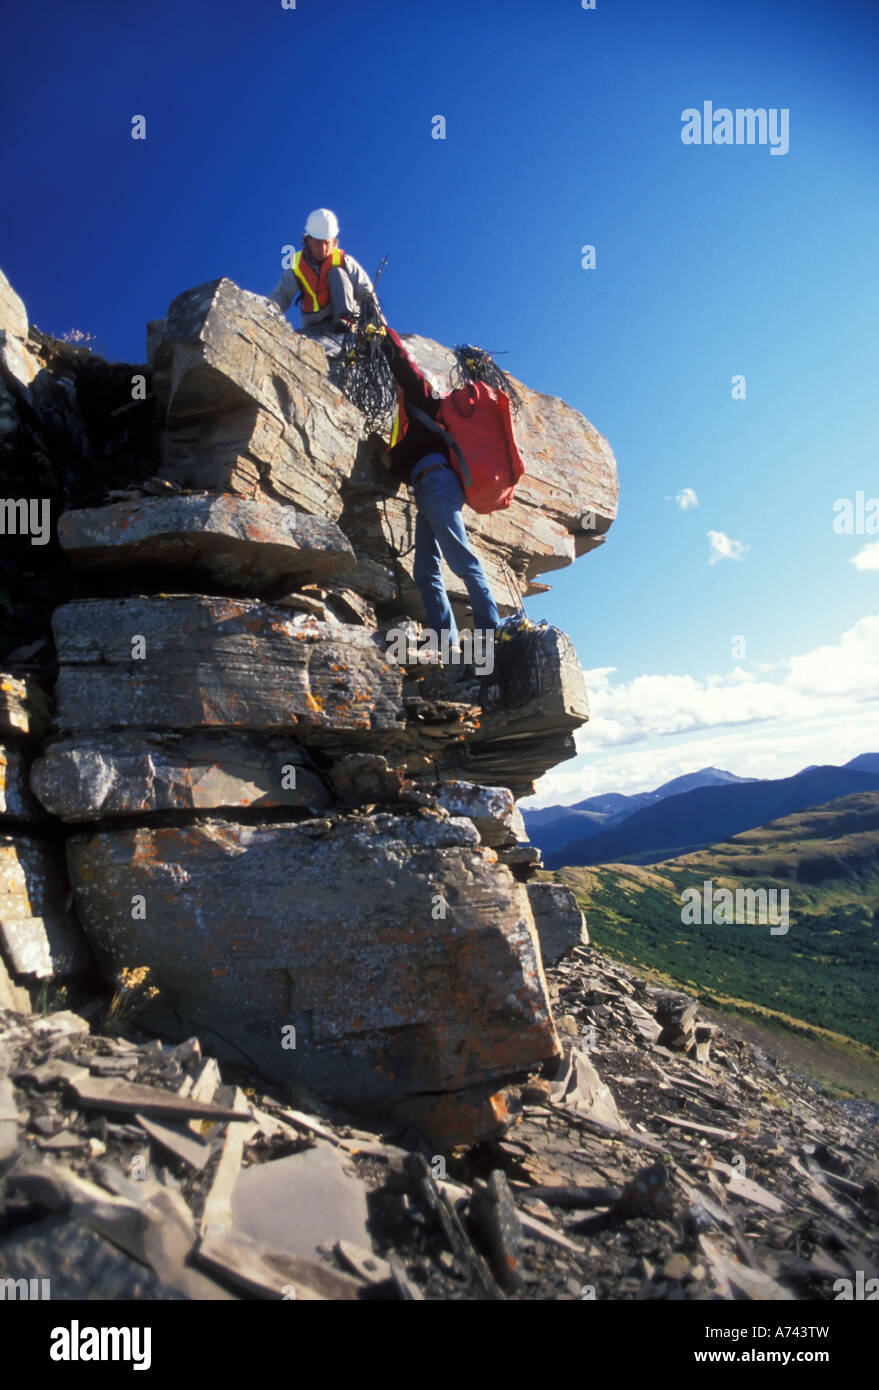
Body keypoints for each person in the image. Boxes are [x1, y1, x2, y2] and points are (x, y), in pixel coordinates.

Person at [378, 326, 501, 648]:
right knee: (425, 572)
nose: (393, 387)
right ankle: (445, 641)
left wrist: (382, 334)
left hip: (436, 484)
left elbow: (404, 366)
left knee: (462, 561)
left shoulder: (426, 398)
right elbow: (403, 462)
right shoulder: (407, 423)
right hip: (429, 488)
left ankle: (491, 633)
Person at [267, 208, 377, 337]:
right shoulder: (297, 265)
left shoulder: (343, 260)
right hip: (315, 326)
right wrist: (267, 313)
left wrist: (378, 323)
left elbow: (366, 292)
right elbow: (281, 295)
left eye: (327, 243)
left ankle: (346, 321)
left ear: (334, 242)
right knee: (290, 339)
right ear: (308, 240)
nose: (323, 248)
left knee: (337, 273)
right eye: (318, 243)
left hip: (345, 322)